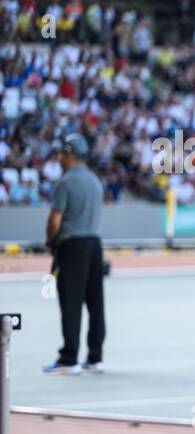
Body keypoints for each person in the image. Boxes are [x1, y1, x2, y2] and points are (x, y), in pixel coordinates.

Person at [43, 133, 106, 375]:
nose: (59, 159)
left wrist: (50, 241)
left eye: (61, 154)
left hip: (72, 245)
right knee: (95, 302)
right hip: (94, 245)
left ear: (69, 155)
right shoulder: (95, 181)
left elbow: (55, 218)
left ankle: (69, 358)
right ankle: (95, 356)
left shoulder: (66, 182)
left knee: (71, 302)